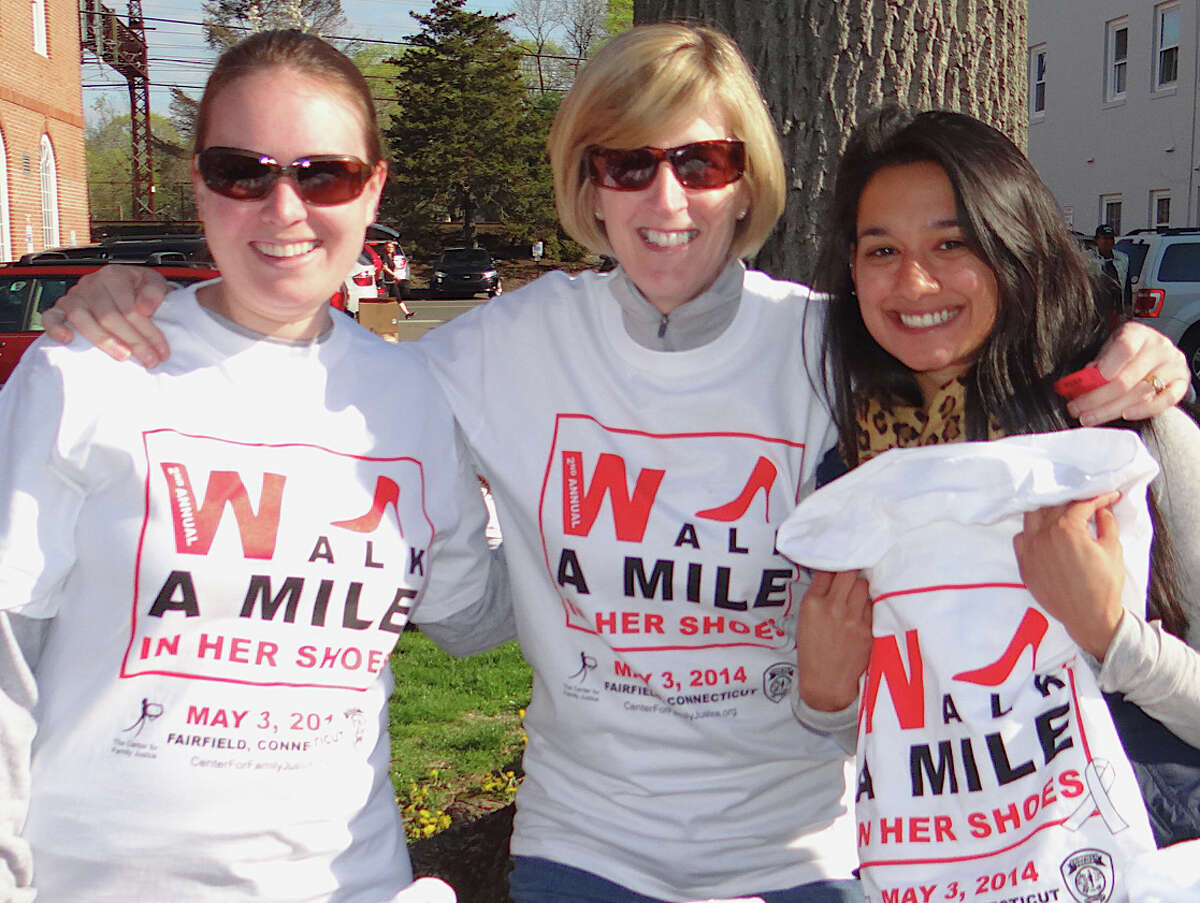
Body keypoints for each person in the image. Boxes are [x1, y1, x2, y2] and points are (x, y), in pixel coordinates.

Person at [37, 27, 1190, 903]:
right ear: (586, 185)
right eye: (626, 164)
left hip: (799, 853)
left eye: (700, 160)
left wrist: (1134, 361)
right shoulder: (492, 352)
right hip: (582, 852)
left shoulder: (832, 344)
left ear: (748, 178)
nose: (666, 198)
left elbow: (981, 350)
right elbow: (309, 368)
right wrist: (137, 297)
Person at [0, 29, 512, 902]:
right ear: (199, 185)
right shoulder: (88, 370)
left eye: (324, 174)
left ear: (373, 189)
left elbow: (475, 614)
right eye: (245, 171)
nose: (284, 208)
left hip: (347, 881)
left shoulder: (413, 394)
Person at [789, 105, 1200, 857]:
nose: (914, 282)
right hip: (948, 867)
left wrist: (1113, 637)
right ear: (851, 270)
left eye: (952, 243)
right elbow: (867, 736)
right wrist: (822, 698)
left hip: (1151, 857)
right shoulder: (843, 482)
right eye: (881, 250)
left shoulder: (1130, 437)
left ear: (1015, 247)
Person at [1089, 222, 1131, 321]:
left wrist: (1128, 308)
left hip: (1117, 310)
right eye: (1104, 238)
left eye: (1111, 238)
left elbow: (1127, 286)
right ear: (1097, 240)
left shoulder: (1122, 258)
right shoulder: (1088, 258)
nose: (1108, 242)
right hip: (1096, 311)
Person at [380, 240, 416, 319]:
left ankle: (407, 313)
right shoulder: (384, 256)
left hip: (392, 281)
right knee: (386, 299)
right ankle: (382, 315)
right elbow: (384, 267)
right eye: (388, 247)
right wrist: (394, 275)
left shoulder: (393, 257)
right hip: (386, 281)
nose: (390, 248)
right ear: (385, 248)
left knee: (397, 297)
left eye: (392, 247)